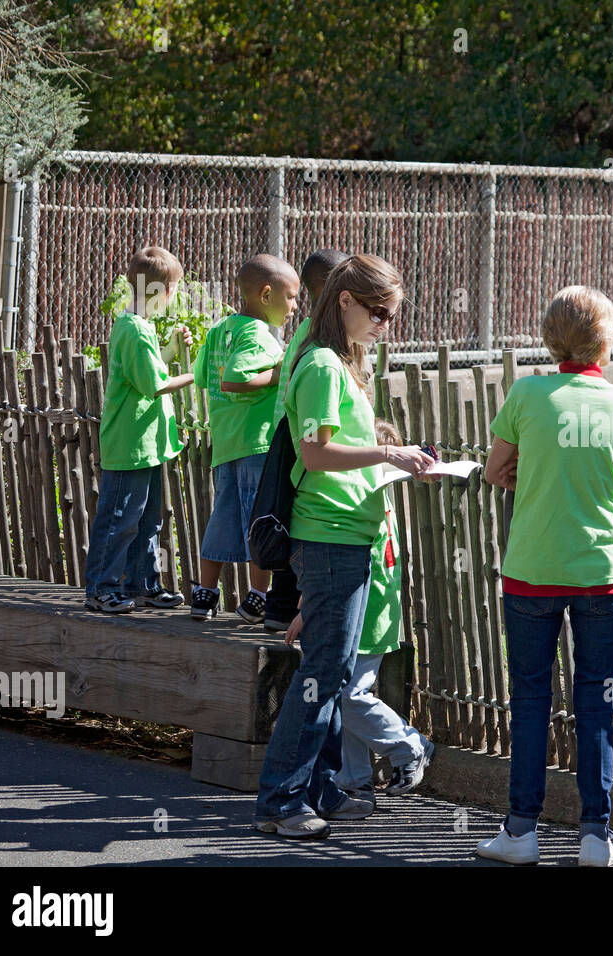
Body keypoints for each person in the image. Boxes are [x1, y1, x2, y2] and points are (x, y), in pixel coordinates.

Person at [253, 254, 435, 838]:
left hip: (347, 532)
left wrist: (400, 464)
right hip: (328, 534)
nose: (385, 324)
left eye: (393, 316)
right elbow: (315, 455)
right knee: (322, 676)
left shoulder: (342, 363)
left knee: (329, 675)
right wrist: (389, 455)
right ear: (345, 301)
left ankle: (318, 790)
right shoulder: (324, 366)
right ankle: (280, 801)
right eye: (379, 312)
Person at [479, 285, 613, 866]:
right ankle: (596, 837)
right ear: (605, 341)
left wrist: (530, 471)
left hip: (532, 572)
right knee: (596, 700)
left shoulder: (526, 394)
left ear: (552, 339)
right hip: (602, 574)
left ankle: (520, 831)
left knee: (529, 698)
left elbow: (495, 470)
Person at [283, 419, 435, 809]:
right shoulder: (377, 501)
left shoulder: (362, 506)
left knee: (348, 694)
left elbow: (339, 574)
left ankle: (409, 746)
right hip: (375, 614)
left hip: (368, 615)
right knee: (345, 693)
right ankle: (353, 777)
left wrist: (306, 612)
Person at [83, 245, 194, 613]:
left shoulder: (137, 326)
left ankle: (143, 584)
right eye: (175, 290)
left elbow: (150, 369)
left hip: (146, 446)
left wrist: (173, 348)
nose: (174, 297)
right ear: (162, 293)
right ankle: (101, 588)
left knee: (147, 523)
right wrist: (197, 374)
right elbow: (154, 385)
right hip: (129, 446)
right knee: (119, 522)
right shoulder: (133, 330)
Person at [189, 254, 298, 623]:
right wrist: (278, 373)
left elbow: (202, 377)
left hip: (225, 445)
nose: (295, 307)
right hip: (256, 445)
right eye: (291, 297)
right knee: (260, 520)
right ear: (267, 295)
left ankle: (204, 595)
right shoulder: (258, 335)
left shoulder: (221, 329)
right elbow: (232, 379)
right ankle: (256, 598)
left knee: (222, 518)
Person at [263, 249, 350, 633]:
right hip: (301, 440)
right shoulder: (322, 338)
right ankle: (285, 612)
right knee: (299, 529)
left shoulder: (309, 331)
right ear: (334, 288)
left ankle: (279, 611)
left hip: (292, 434)